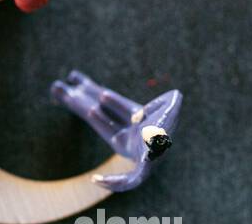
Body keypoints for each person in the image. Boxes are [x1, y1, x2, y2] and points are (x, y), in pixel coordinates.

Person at [50, 71, 183, 192]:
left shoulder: (145, 159)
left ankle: (67, 95)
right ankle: (85, 85)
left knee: (94, 114)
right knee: (107, 97)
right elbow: (175, 96)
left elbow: (134, 179)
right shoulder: (164, 118)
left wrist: (105, 180)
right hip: (137, 115)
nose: (150, 130)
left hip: (125, 140)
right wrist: (146, 110)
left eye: (148, 137)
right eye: (154, 131)